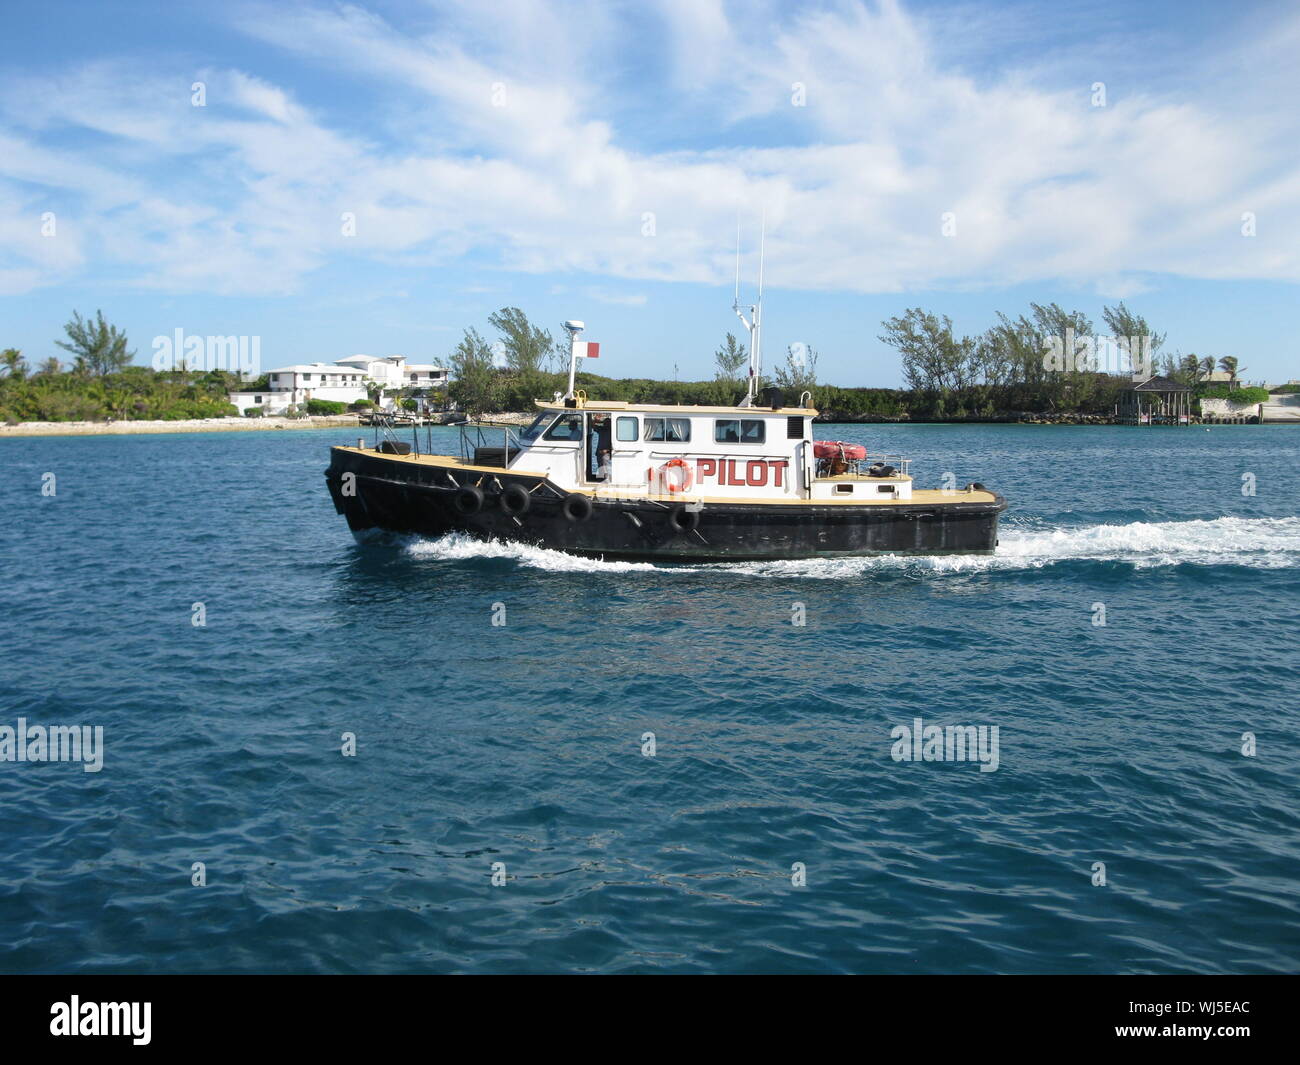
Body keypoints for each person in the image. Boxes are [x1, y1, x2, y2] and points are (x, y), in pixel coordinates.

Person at [590, 412, 613, 481]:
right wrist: (595, 419)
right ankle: (601, 480)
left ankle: (607, 481)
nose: (605, 424)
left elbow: (616, 445)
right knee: (600, 466)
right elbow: (592, 425)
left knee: (605, 467)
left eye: (607, 423)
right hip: (599, 452)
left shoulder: (613, 432)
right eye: (604, 423)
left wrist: (607, 450)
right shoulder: (601, 429)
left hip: (607, 453)